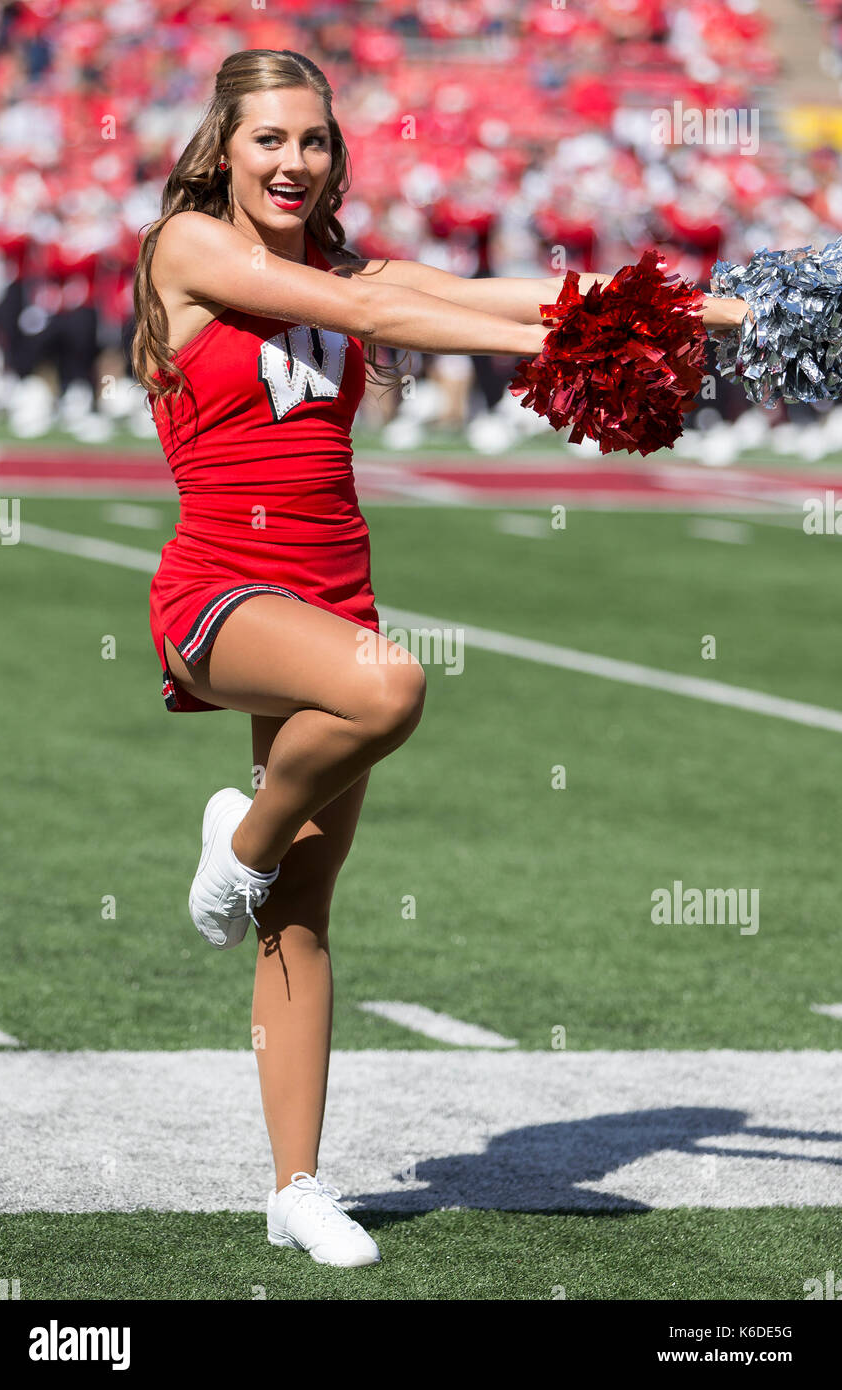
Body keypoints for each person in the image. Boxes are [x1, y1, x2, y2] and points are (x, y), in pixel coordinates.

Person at [130, 47, 747, 1269]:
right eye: (269, 140)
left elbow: (490, 287)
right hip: (220, 586)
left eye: (313, 139)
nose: (294, 161)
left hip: (333, 580)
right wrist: (548, 344)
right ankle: (235, 837)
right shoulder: (189, 248)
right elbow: (377, 316)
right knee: (389, 684)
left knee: (300, 910)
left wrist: (701, 308)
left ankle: (296, 1186)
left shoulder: (344, 260)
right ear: (221, 149)